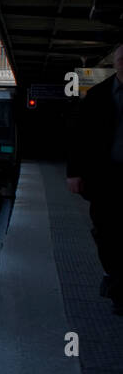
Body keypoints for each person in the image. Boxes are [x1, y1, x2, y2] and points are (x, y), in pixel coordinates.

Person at [67, 43, 123, 312]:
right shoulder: (98, 95)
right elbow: (79, 138)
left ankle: (118, 290)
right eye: (122, 59)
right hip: (106, 178)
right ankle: (113, 274)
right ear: (115, 62)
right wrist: (74, 173)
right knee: (105, 231)